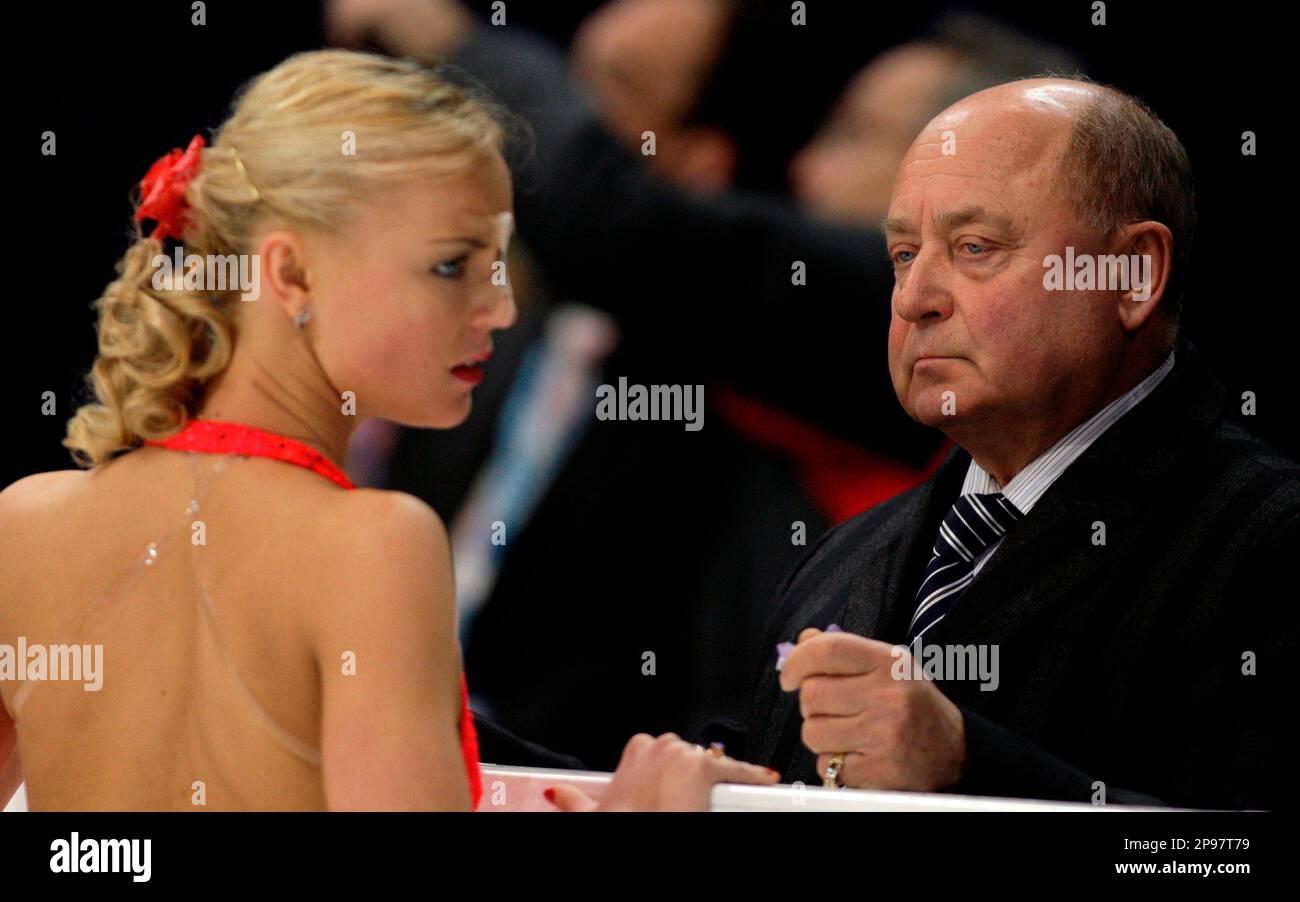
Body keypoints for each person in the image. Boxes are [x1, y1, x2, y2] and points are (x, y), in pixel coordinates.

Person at [0, 48, 776, 811]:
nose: (501, 309)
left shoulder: (23, 521)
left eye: (503, 261)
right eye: (451, 265)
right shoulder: (375, 544)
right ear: (291, 273)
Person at [745, 78, 1298, 809]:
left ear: (1132, 275)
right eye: (904, 254)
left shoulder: (1271, 546)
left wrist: (969, 766)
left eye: (974, 248)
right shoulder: (843, 557)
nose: (914, 299)